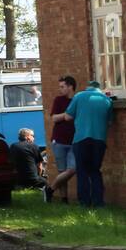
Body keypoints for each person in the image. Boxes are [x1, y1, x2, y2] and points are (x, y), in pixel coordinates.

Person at [58, 79, 113, 208]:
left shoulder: (79, 96)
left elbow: (68, 116)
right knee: (95, 171)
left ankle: (84, 202)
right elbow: (110, 122)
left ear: (87, 87)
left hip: (81, 139)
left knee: (82, 171)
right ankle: (98, 202)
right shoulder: (106, 100)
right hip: (99, 139)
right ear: (99, 89)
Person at [45, 76, 77, 203]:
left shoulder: (77, 100)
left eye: (62, 87)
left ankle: (50, 189)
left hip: (74, 140)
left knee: (72, 169)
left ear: (70, 87)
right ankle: (64, 199)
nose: (60, 89)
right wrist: (66, 115)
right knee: (62, 170)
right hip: (59, 140)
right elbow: (54, 118)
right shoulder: (58, 100)